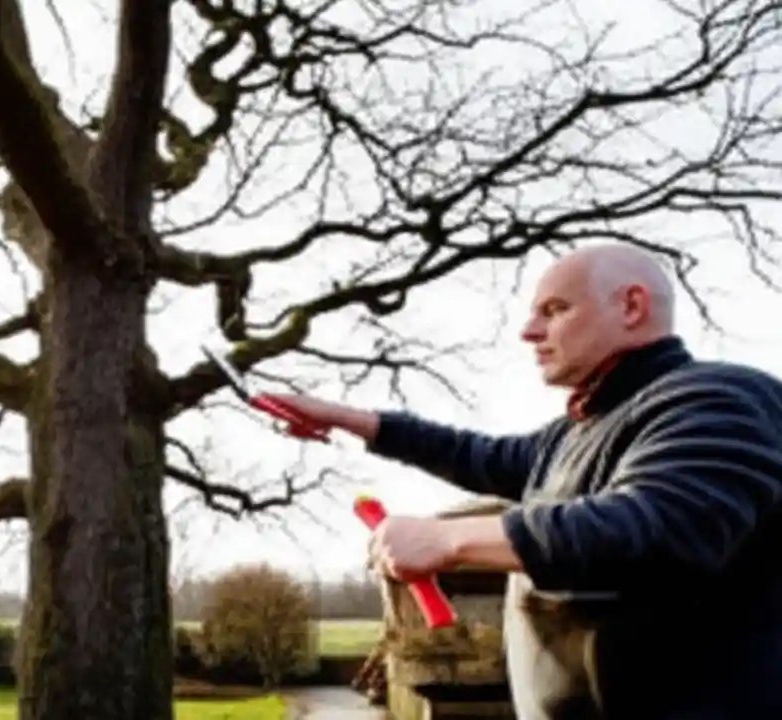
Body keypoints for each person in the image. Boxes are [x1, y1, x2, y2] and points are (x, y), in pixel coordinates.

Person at [266, 243, 782, 718]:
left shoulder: (718, 399)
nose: (529, 331)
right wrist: (352, 422)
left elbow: (662, 526)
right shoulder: (578, 431)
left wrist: (447, 538)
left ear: (631, 306)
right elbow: (476, 455)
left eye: (554, 310)